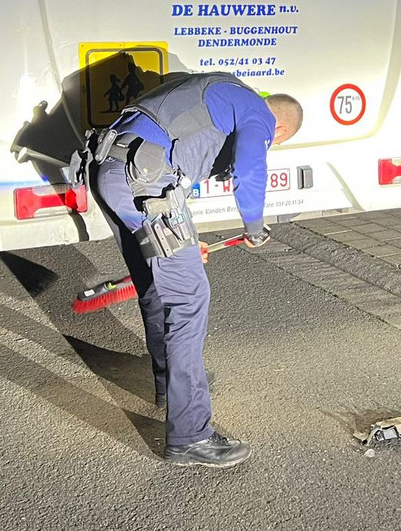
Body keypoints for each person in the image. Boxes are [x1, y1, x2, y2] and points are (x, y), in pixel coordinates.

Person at [83, 71, 302, 467]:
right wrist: (253, 226)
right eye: (277, 140)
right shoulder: (258, 113)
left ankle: (169, 386)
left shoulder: (218, 88)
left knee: (155, 283)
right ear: (281, 128)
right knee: (189, 298)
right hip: (145, 181)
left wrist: (183, 235)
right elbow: (250, 167)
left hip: (112, 168)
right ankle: (189, 436)